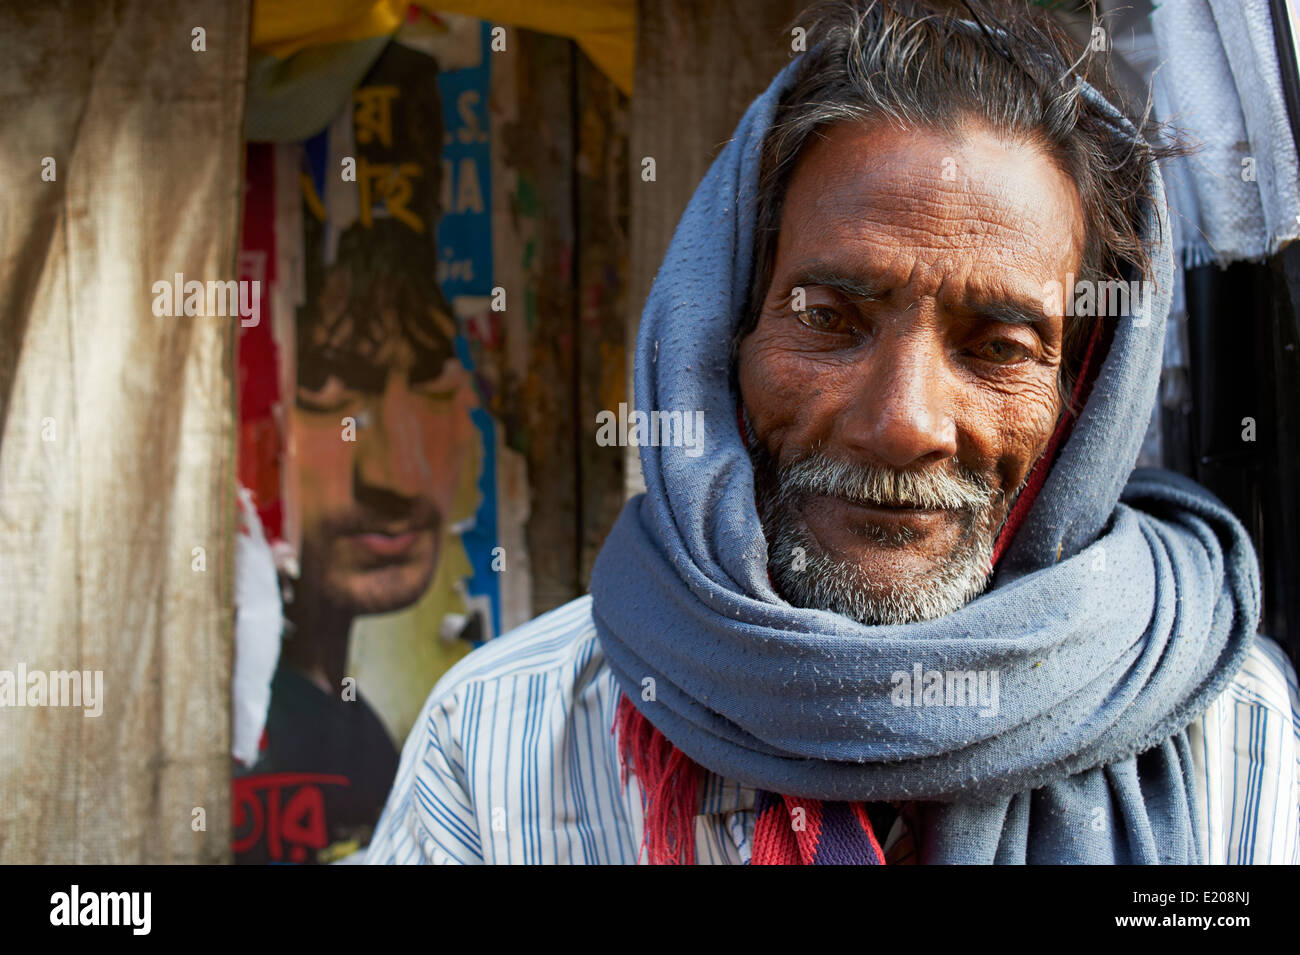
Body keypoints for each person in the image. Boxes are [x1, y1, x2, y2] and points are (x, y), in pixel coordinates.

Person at [367, 0, 1299, 865]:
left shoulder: (1233, 739)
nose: (903, 423)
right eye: (827, 317)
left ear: (1085, 390)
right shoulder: (500, 743)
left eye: (999, 345)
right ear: (722, 331)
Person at [234, 40, 478, 865]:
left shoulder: (370, 737)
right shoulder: (233, 728)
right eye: (332, 395)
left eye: (433, 384)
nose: (395, 475)